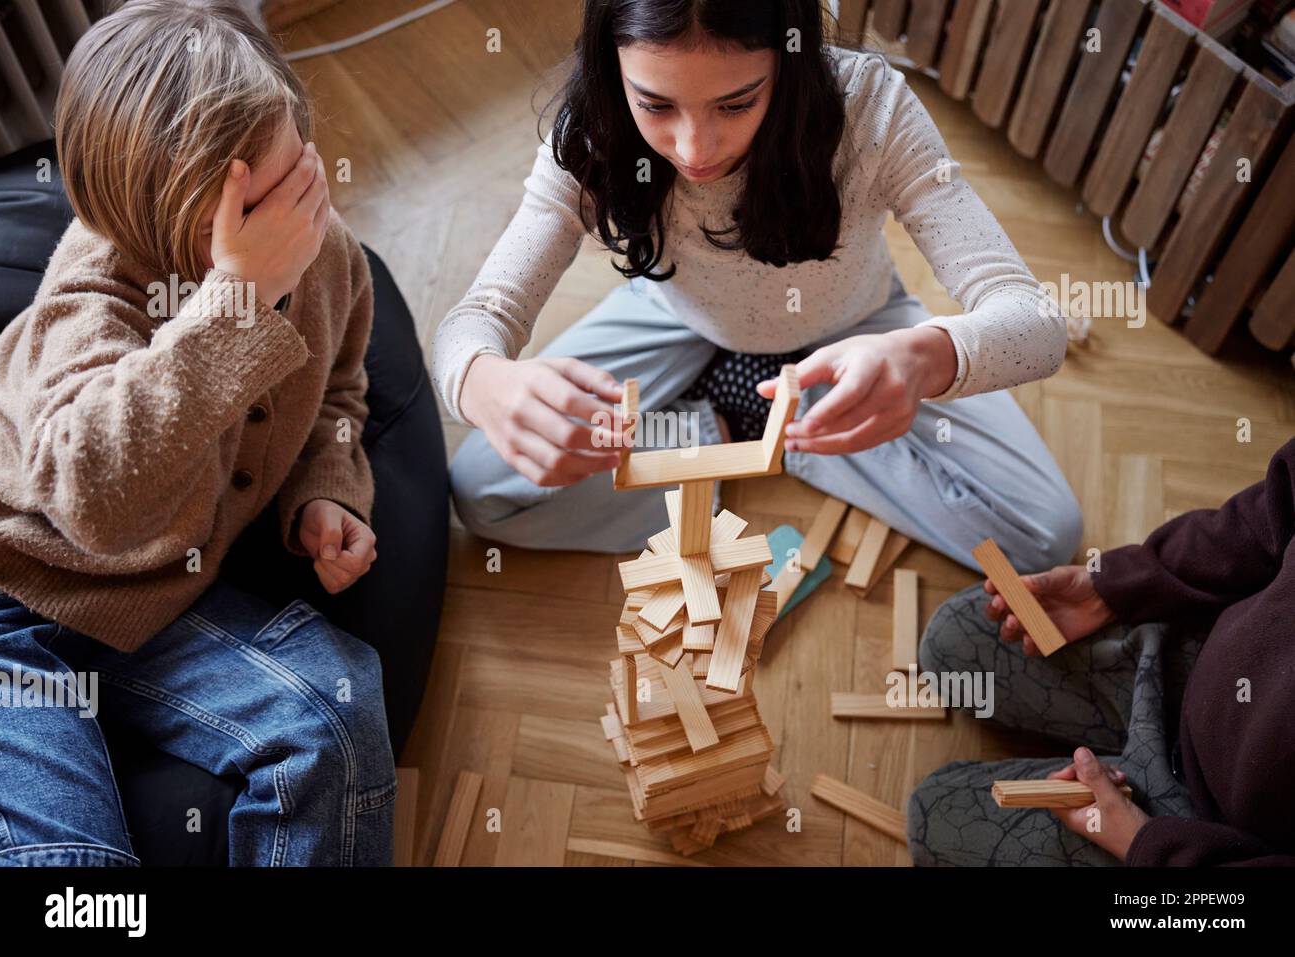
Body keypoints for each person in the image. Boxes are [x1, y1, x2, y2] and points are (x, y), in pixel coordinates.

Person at [433, 0, 1081, 572]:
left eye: (737, 102)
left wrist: (925, 356)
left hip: (856, 330)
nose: (694, 148)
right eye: (655, 104)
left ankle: (789, 432)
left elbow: (1037, 324)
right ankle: (733, 429)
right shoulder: (591, 130)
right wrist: (481, 379)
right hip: (673, 319)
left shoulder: (873, 109)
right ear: (613, 68)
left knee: (1045, 532)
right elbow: (482, 313)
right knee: (484, 492)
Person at [0, 0, 394, 866]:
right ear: (177, 226)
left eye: (306, 166)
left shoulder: (329, 259)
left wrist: (325, 490)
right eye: (270, 202)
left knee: (334, 708)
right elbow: (97, 501)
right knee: (75, 873)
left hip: (162, 596)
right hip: (15, 602)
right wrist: (240, 304)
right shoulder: (90, 297)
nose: (306, 207)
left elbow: (339, 393)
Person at [908, 437, 1295, 866]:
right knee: (953, 640)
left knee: (933, 817)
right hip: (1204, 667)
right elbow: (1273, 509)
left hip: (1214, 840)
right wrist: (1124, 584)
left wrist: (1146, 846)